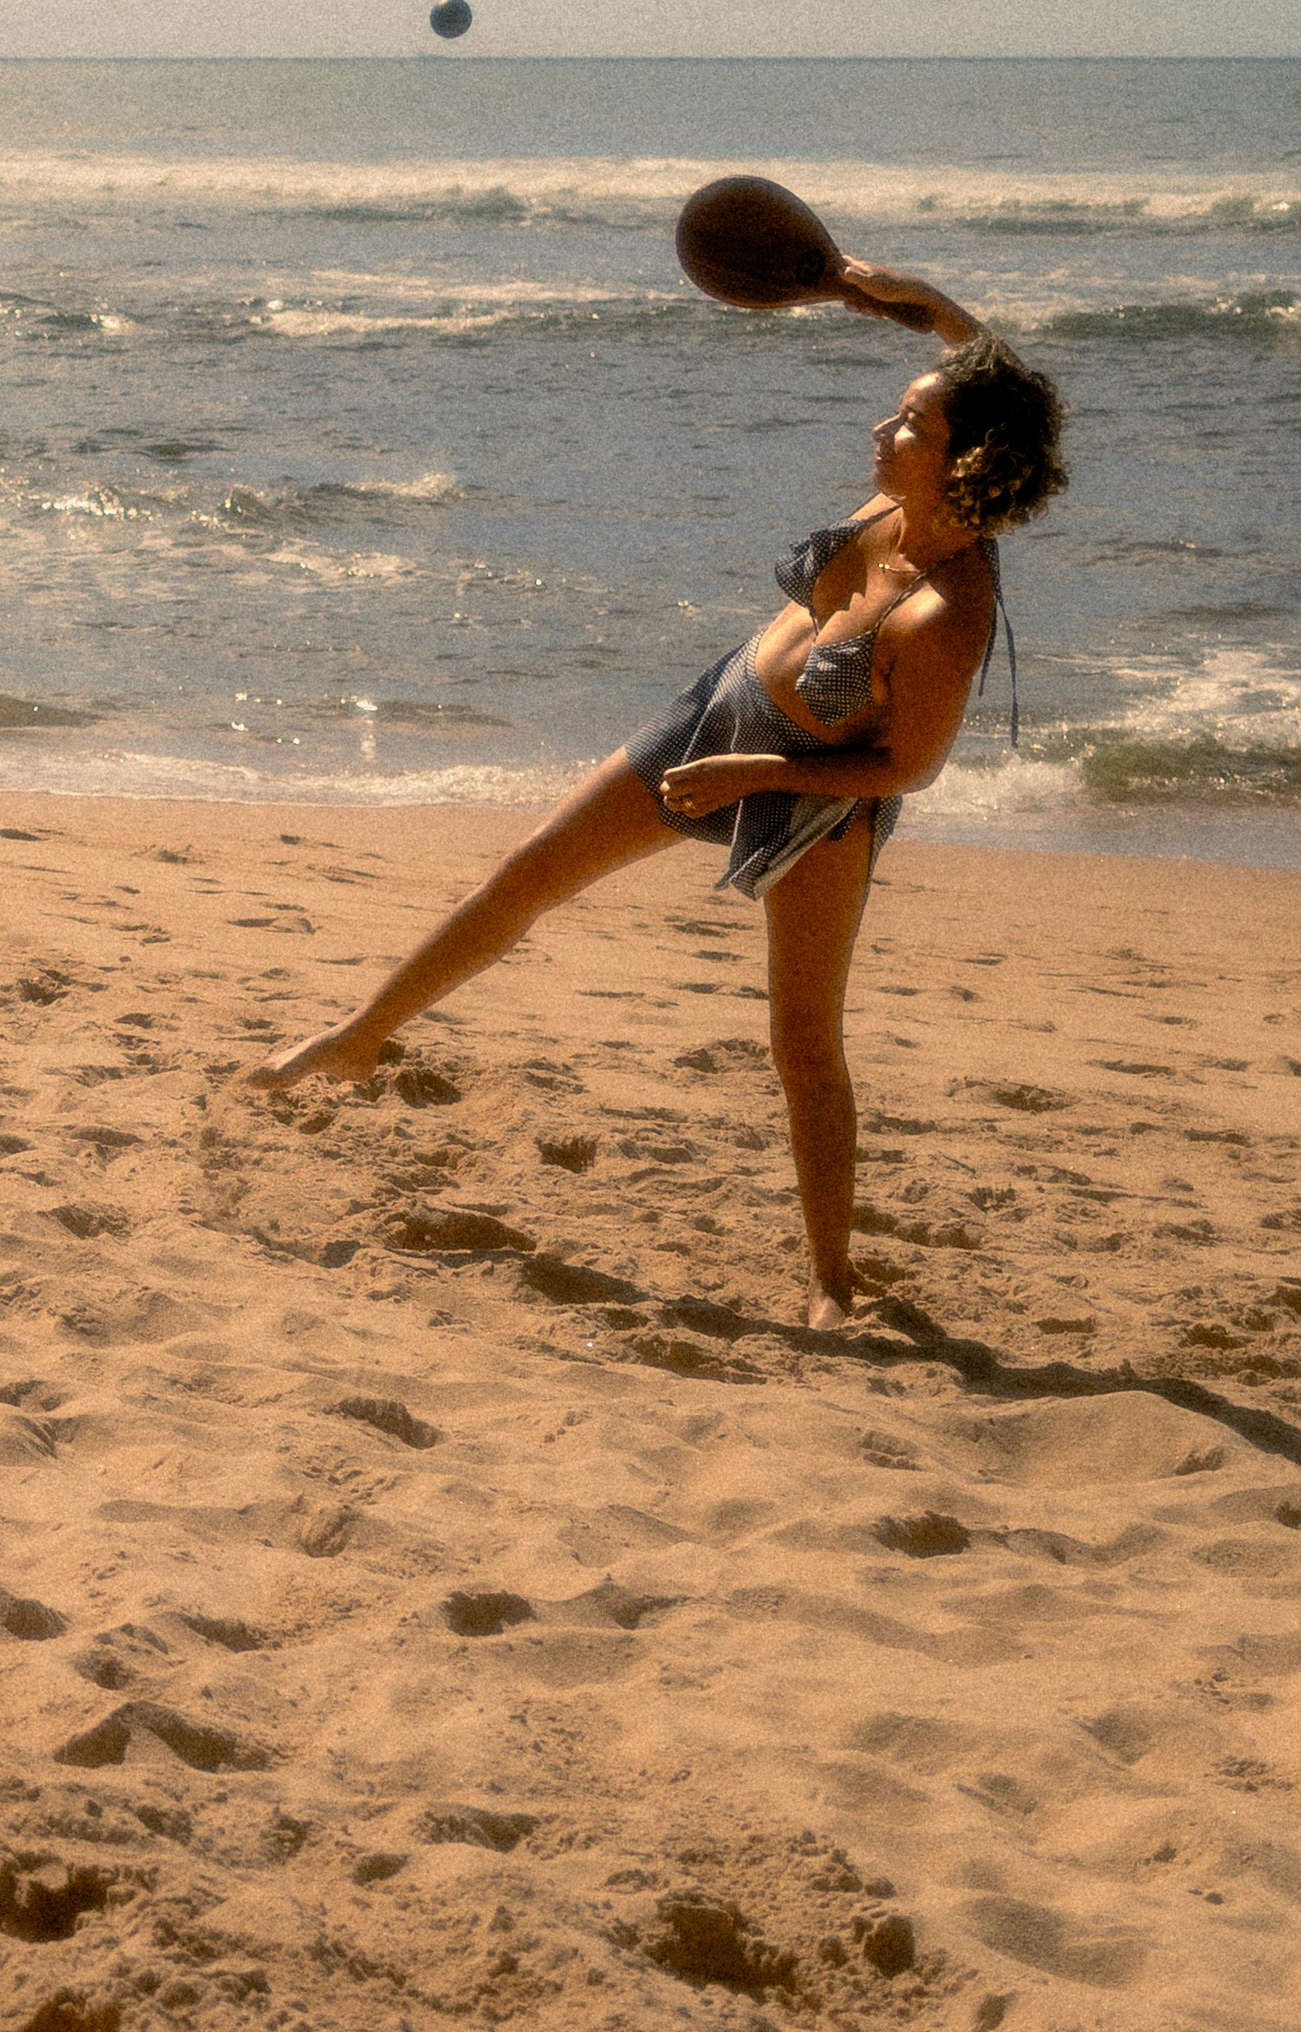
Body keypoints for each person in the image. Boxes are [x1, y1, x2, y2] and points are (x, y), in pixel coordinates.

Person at [243, 260, 1068, 1328]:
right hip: (714, 714)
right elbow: (971, 348)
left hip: (809, 798)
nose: (882, 426)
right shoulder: (904, 500)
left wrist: (758, 771)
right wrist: (857, 285)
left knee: (804, 1042)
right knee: (528, 874)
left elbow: (906, 768)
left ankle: (829, 1281)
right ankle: (356, 1035)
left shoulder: (948, 612)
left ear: (968, 463)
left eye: (911, 423)